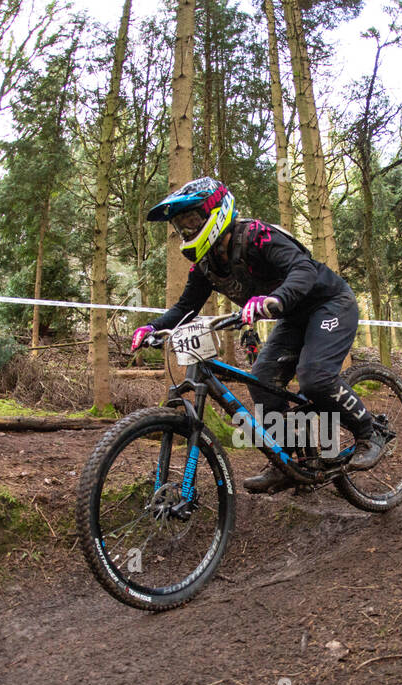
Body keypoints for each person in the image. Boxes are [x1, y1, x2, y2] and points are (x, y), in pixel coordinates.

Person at [131, 177, 386, 494]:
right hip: (293, 318)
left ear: (215, 211)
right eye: (181, 226)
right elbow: (186, 307)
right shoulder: (206, 265)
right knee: (262, 379)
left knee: (315, 379)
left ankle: (370, 432)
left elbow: (303, 268)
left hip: (329, 304)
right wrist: (152, 327)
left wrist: (275, 298)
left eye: (192, 221)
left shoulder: (256, 236)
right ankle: (287, 463)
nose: (187, 230)